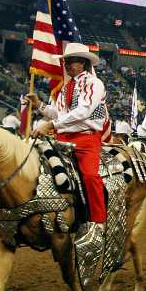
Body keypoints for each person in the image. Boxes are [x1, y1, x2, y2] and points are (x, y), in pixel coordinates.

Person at [27, 43, 108, 239]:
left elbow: (83, 111)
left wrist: (51, 125)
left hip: (86, 138)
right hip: (62, 137)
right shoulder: (65, 88)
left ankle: (99, 221)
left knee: (90, 175)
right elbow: (60, 113)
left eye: (73, 61)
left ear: (84, 64)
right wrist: (39, 105)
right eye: (67, 61)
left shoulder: (93, 84)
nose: (68, 65)